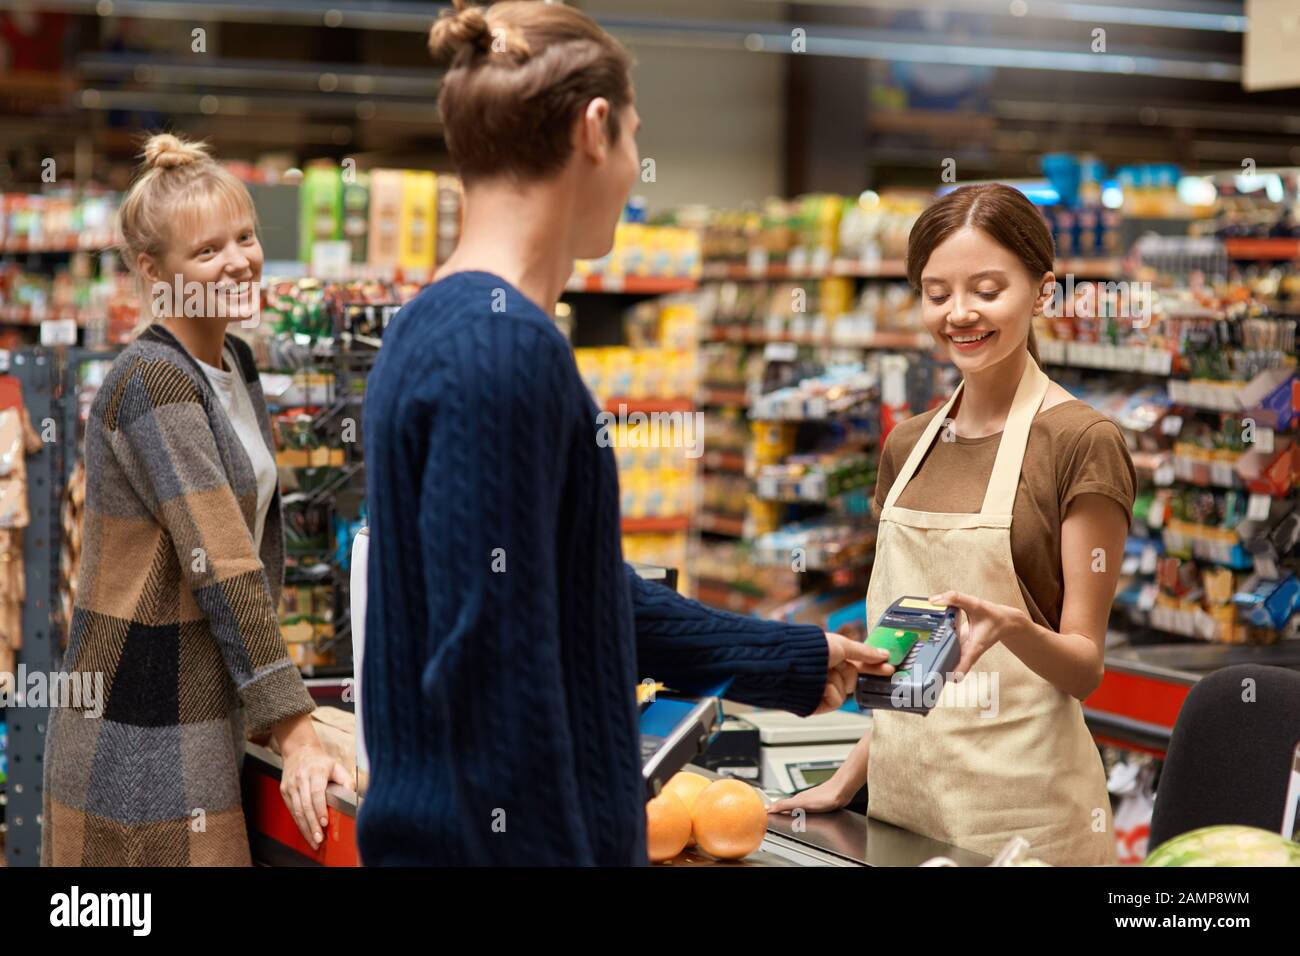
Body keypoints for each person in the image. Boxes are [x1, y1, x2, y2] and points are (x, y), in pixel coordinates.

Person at [359, 0, 892, 866]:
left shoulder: (443, 324)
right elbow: (495, 680)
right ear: (595, 128)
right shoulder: (503, 351)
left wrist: (788, 658)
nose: (637, 165)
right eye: (639, 137)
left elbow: (576, 595)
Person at [769, 183, 1135, 866]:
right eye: (937, 295)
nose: (959, 314)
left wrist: (1015, 628)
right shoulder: (908, 446)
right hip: (904, 812)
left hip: (1021, 824)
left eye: (987, 289)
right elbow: (914, 668)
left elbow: (1085, 668)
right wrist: (843, 785)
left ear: (1043, 292)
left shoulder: (1081, 441)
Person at [42, 133, 351, 866]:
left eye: (244, 237)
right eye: (207, 251)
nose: (239, 260)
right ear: (154, 270)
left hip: (203, 705)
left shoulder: (232, 361)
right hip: (137, 728)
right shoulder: (154, 379)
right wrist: (293, 724)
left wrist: (265, 703)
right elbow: (224, 559)